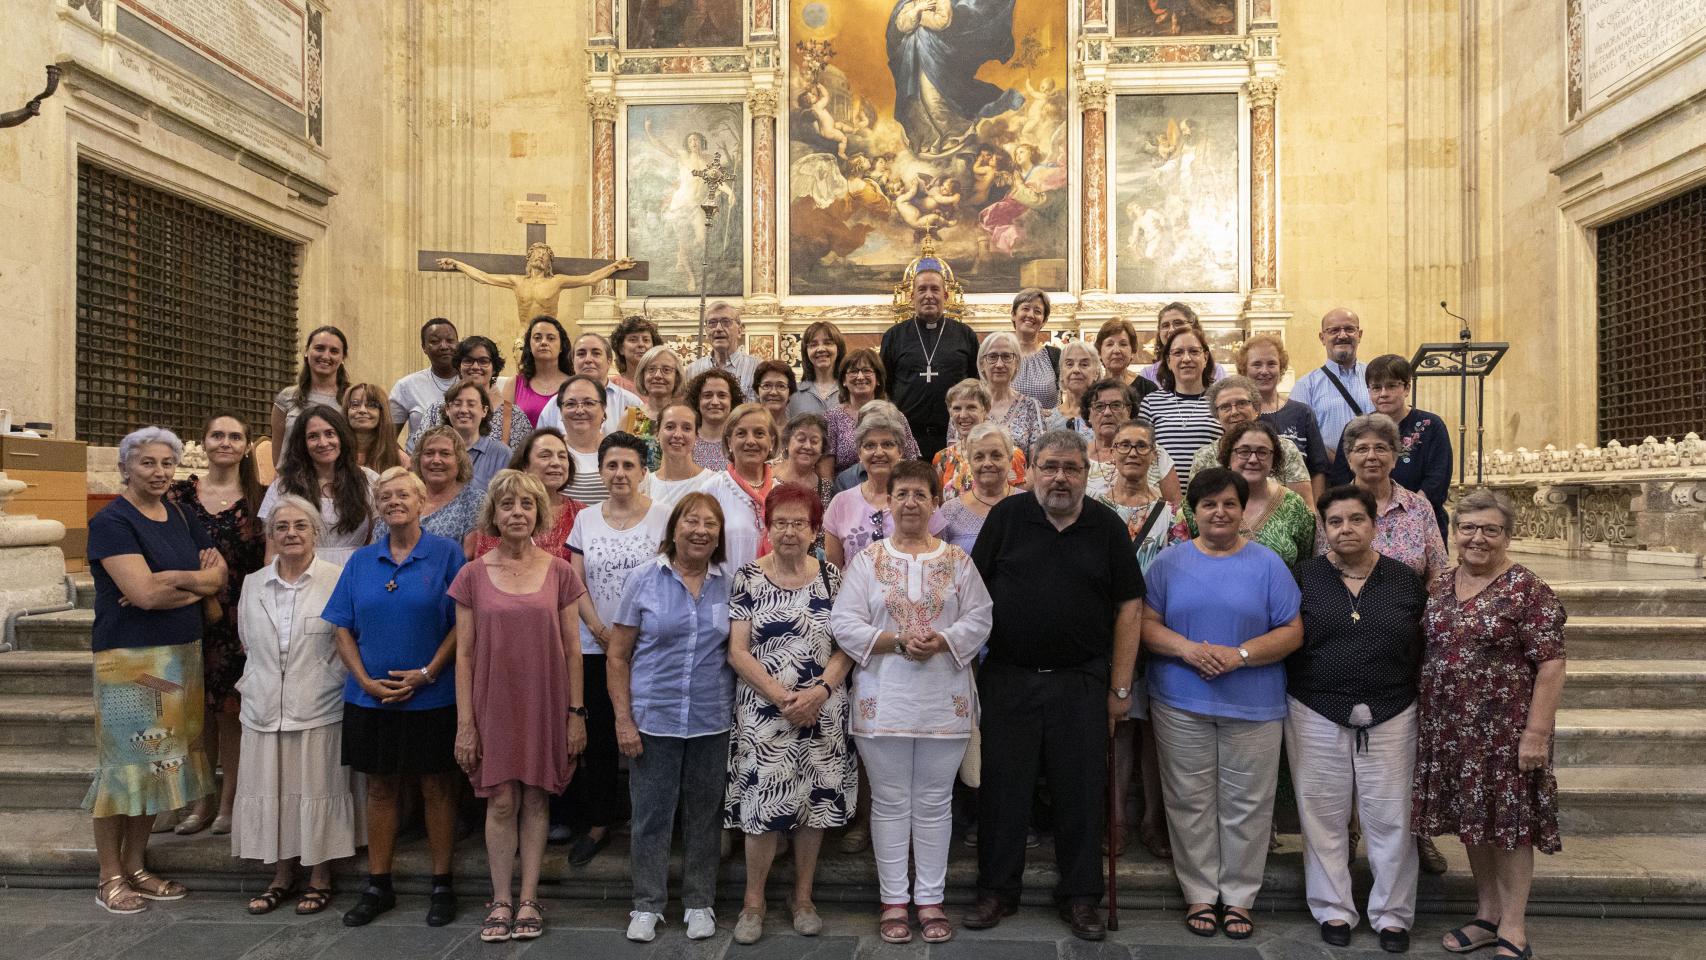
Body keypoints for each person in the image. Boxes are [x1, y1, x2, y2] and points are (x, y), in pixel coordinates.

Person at [965, 430, 1143, 942]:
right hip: (1009, 678)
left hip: (1081, 682)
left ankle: (1081, 897)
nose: (1060, 478)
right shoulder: (1006, 518)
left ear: (1086, 473)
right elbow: (972, 595)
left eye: (1071, 468)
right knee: (1003, 791)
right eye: (1050, 467)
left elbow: (1130, 606)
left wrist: (1121, 688)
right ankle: (997, 891)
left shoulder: (1106, 526)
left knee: (1081, 792)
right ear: (1032, 472)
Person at [832, 460, 993, 945]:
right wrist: (895, 640)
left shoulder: (958, 561)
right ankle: (893, 901)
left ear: (934, 503)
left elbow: (981, 617)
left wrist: (942, 640)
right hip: (884, 699)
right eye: (901, 494)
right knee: (889, 803)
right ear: (889, 502)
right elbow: (844, 622)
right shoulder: (867, 561)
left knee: (935, 803)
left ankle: (930, 899)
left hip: (944, 699)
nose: (909, 502)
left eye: (920, 494)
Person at [1141, 467, 1303, 942]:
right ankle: (1198, 892)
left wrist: (1241, 655)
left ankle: (1238, 897)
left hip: (1253, 703)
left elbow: (1292, 630)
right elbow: (1146, 624)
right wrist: (1188, 649)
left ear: (1242, 509)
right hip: (1180, 701)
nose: (1219, 512)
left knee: (1248, 803)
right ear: (1194, 511)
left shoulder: (1268, 564)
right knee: (1188, 799)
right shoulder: (1168, 563)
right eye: (1209, 504)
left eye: (1229, 503)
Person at [1414, 490, 1567, 960]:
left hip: (1505, 733)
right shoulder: (1441, 585)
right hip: (1449, 729)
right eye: (1468, 528)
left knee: (1511, 827)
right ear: (1454, 534)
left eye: (1490, 530)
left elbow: (1551, 664)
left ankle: (1513, 926)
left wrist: (1536, 733)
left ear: (1507, 536)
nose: (1477, 538)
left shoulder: (1528, 590)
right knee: (1473, 822)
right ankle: (1487, 914)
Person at [86, 427, 224, 914]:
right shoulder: (111, 521)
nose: (160, 472)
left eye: (167, 463)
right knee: (124, 769)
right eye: (148, 463)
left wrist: (176, 581)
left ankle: (137, 865)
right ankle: (110, 876)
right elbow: (142, 595)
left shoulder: (182, 515)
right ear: (125, 467)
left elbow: (219, 575)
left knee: (158, 764)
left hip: (179, 654)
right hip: (130, 662)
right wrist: (194, 588)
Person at [451, 470, 591, 943]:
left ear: (539, 513)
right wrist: (465, 724)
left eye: (526, 505)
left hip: (545, 700)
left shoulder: (560, 572)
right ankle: (500, 899)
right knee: (501, 800)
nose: (517, 513)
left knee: (535, 796)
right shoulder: (471, 575)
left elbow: (573, 650)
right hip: (492, 702)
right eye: (507, 505)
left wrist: (576, 715)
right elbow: (464, 655)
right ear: (494, 513)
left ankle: (529, 897)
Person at [325, 467, 465, 929]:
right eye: (385, 496)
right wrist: (364, 680)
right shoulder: (361, 561)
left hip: (433, 696)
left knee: (437, 788)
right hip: (371, 698)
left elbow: (463, 624)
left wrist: (428, 672)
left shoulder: (447, 554)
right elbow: (341, 627)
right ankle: (378, 885)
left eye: (404, 494)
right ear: (377, 506)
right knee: (381, 789)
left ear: (422, 501)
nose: (394, 502)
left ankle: (441, 883)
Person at [1290, 485, 1427, 952]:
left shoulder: (1403, 580)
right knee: (1322, 814)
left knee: (1391, 815)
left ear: (1373, 525)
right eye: (1335, 521)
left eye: (1356, 520)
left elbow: (1421, 643)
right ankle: (1333, 909)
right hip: (1315, 707)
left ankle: (1392, 915)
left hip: (1393, 709)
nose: (1345, 529)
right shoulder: (1304, 576)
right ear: (1324, 529)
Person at [724, 485, 858, 945]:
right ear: (767, 527)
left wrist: (819, 692)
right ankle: (753, 902)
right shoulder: (748, 577)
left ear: (815, 530)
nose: (789, 531)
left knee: (814, 806)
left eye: (799, 523)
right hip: (765, 712)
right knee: (763, 805)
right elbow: (737, 651)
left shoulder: (833, 578)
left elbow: (847, 647)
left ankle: (802, 898)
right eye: (780, 522)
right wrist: (784, 697)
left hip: (822, 710)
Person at [607, 493, 735, 943]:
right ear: (674, 528)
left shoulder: (730, 584)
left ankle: (700, 902)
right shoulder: (644, 578)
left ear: (719, 536)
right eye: (691, 521)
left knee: (704, 816)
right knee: (651, 816)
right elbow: (617, 656)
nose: (700, 530)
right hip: (653, 719)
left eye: (710, 524)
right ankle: (647, 905)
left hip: (711, 719)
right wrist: (623, 720)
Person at [231, 495, 364, 917]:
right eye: (282, 527)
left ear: (316, 533)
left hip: (319, 701)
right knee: (274, 792)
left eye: (300, 526)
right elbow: (247, 640)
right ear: (270, 535)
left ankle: (321, 877)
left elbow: (348, 639)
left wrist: (328, 676)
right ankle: (281, 876)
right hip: (264, 704)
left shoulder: (337, 579)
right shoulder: (253, 583)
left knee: (317, 789)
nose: (291, 533)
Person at [564, 433, 672, 865]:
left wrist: (631, 637)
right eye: (612, 465)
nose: (620, 473)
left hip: (648, 647)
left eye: (629, 465)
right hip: (595, 646)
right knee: (603, 737)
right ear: (601, 471)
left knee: (649, 735)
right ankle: (599, 821)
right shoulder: (585, 520)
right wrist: (597, 628)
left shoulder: (663, 517)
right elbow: (575, 582)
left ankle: (652, 822)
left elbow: (669, 578)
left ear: (644, 471)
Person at [164, 414, 269, 838]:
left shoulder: (260, 498)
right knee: (194, 715)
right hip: (185, 612)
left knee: (231, 714)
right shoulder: (179, 495)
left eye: (235, 436)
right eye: (217, 435)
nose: (225, 442)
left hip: (239, 619)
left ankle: (230, 801)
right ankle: (201, 800)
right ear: (204, 442)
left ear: (247, 446)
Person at [1092, 417, 1179, 861]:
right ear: (1111, 454)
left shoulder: (1172, 514)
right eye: (1123, 445)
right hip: (1105, 631)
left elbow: (1178, 573)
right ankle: (1118, 818)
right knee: (1120, 726)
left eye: (1140, 446)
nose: (1131, 453)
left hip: (1155, 630)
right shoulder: (1094, 508)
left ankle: (1153, 819)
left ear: (1153, 454)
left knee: (1154, 729)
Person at [1328, 354, 1453, 540]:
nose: (1383, 393)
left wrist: (1407, 514)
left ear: (1407, 387)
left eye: (1392, 386)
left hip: (1419, 523)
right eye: (1376, 388)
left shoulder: (1431, 425)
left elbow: (1437, 478)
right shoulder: (1356, 428)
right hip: (1364, 524)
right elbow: (1341, 478)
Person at [1323, 413, 1448, 582]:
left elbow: (1437, 573)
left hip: (1412, 599)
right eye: (1362, 449)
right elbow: (1323, 570)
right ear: (1349, 459)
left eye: (1380, 448)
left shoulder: (1420, 508)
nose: (1371, 456)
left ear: (1394, 458)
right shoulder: (1331, 510)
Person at [1182, 421, 1316, 568]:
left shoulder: (1293, 505)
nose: (1253, 460)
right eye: (1244, 452)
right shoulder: (1201, 501)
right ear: (1228, 456)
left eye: (1262, 452)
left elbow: (1305, 563)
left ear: (1274, 459)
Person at [880, 264, 980, 459]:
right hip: (907, 436)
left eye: (935, 289)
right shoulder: (894, 336)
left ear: (945, 295)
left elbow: (975, 383)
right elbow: (885, 385)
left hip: (954, 435)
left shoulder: (965, 334)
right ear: (912, 297)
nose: (928, 295)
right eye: (922, 289)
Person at [257, 406, 377, 566]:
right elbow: (272, 554)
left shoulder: (368, 480)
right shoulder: (284, 486)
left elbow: (380, 537)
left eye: (329, 434)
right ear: (302, 443)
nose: (323, 443)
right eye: (313, 436)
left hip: (355, 571)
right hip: (301, 573)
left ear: (342, 437)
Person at [467, 428, 586, 563]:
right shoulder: (502, 511)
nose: (556, 463)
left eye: (562, 456)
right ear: (524, 465)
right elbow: (486, 566)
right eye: (545, 455)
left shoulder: (582, 514)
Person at [1191, 376, 1315, 506]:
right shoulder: (1204, 456)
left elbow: (1304, 507)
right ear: (1217, 415)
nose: (1234, 412)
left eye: (1242, 403)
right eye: (1225, 407)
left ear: (1256, 409)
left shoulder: (1285, 449)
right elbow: (1193, 509)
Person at [408, 336, 534, 455]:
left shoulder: (514, 416)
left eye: (483, 361)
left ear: (494, 368)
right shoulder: (436, 411)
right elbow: (419, 454)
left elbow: (524, 463)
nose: (475, 367)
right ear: (459, 366)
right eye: (468, 361)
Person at [1238, 333, 1328, 491]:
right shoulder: (1238, 415)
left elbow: (1318, 469)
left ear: (1281, 368)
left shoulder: (1302, 413)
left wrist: (1315, 505)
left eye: (1271, 364)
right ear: (1244, 370)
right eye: (1257, 365)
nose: (1264, 371)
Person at [1139, 327, 1222, 487]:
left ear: (1205, 357)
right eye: (1178, 353)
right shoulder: (1151, 402)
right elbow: (1142, 451)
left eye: (1194, 351)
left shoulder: (1221, 401)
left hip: (1210, 494)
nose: (1186, 359)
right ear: (1168, 361)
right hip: (1163, 495)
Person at [824, 412, 904, 568]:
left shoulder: (920, 498)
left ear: (900, 451)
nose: (879, 452)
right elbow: (834, 572)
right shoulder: (840, 503)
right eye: (869, 446)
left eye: (887, 444)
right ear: (859, 454)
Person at [706, 403, 780, 571]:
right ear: (729, 442)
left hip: (774, 586)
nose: (751, 441)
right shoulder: (712, 490)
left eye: (759, 433)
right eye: (741, 433)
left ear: (772, 441)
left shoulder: (781, 493)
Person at [1290, 308, 1371, 460]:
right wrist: (1339, 463)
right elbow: (1298, 437)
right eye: (1334, 330)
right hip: (1329, 471)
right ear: (1322, 338)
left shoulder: (1375, 377)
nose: (1342, 335)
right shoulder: (1306, 386)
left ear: (1359, 335)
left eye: (1349, 329)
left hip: (1375, 467)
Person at [1083, 377, 1180, 503]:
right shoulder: (1079, 456)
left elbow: (1176, 507)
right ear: (1089, 414)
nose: (1107, 412)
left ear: (1129, 411)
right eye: (1099, 406)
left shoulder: (1154, 452)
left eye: (1116, 405)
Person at [825, 348, 921, 473]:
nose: (860, 377)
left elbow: (910, 462)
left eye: (867, 371)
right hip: (845, 484)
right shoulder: (832, 417)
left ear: (878, 379)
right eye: (853, 371)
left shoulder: (896, 416)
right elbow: (825, 469)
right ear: (843, 380)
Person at [930, 422, 1019, 553]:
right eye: (979, 457)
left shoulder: (1029, 504)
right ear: (970, 463)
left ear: (1010, 460)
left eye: (996, 456)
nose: (987, 463)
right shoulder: (950, 511)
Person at [535, 332, 645, 434]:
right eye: (581, 354)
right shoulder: (554, 405)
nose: (588, 359)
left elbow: (644, 445)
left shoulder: (632, 403)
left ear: (609, 361)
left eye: (596, 353)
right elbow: (541, 445)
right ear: (572, 362)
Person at [932, 379, 1026, 498]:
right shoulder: (942, 459)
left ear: (986, 409)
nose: (963, 415)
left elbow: (1019, 502)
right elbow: (939, 505)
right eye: (957, 408)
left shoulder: (1010, 454)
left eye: (971, 407)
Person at [271, 326, 350, 466]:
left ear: (342, 357)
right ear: (306, 351)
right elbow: (278, 454)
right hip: (292, 477)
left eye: (334, 351)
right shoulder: (286, 397)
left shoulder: (350, 400)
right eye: (319, 348)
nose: (325, 356)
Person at [961, 330, 1045, 458]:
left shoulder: (1031, 406)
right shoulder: (963, 406)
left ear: (1016, 363)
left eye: (1006, 357)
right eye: (992, 357)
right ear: (982, 363)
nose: (999, 364)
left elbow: (1038, 461)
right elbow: (953, 457)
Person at [438, 378, 517, 492]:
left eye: (471, 404)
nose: (464, 410)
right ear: (447, 409)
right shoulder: (435, 451)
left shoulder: (501, 454)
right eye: (457, 404)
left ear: (484, 410)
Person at [388, 318, 461, 436]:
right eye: (435, 341)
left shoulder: (472, 382)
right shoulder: (406, 386)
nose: (444, 346)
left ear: (458, 344)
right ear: (424, 347)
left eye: (450, 340)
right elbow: (387, 438)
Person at [412, 426, 483, 542]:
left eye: (445, 454)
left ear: (459, 460)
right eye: (429, 453)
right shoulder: (406, 498)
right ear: (419, 459)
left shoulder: (475, 500)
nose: (436, 460)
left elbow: (477, 550)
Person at [554, 374, 615, 506]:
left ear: (603, 408)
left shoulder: (619, 451)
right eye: (570, 404)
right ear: (560, 410)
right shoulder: (549, 452)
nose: (580, 410)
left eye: (588, 403)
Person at [621, 344, 684, 468]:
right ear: (642, 375)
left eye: (666, 370)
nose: (658, 375)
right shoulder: (630, 416)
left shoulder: (685, 417)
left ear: (677, 378)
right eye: (651, 369)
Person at [507, 316, 575, 427]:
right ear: (529, 345)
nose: (543, 342)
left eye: (551, 338)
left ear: (561, 347)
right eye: (537, 338)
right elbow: (504, 430)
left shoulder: (573, 385)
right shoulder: (514, 384)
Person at [649, 401, 718, 507]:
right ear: (657, 433)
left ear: (696, 436)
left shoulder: (713, 482)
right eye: (670, 427)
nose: (678, 434)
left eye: (687, 428)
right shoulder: (645, 484)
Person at [1136, 302, 1226, 384]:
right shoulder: (1147, 374)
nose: (1171, 330)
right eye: (1165, 325)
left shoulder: (1216, 371)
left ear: (1194, 327)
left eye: (1178, 323)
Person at [685, 301, 761, 393]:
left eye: (726, 322)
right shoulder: (693, 371)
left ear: (739, 331)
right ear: (706, 331)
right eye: (712, 323)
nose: (718, 328)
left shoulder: (756, 368)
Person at [1009, 288, 1059, 412]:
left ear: (1044, 321)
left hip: (1049, 424)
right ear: (1014, 314)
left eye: (1037, 311)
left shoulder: (1055, 357)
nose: (1030, 315)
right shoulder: (999, 356)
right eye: (1025, 308)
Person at [1043, 339, 1103, 440]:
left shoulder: (1104, 416)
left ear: (1096, 373)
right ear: (1062, 372)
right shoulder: (1048, 419)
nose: (1076, 370)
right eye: (1069, 364)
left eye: (1084, 364)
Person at [343, 383, 409, 474]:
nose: (362, 410)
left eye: (371, 405)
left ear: (382, 413)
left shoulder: (398, 458)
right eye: (355, 404)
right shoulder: (334, 451)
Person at [685, 367, 741, 472]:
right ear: (697, 402)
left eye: (722, 396)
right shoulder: (685, 440)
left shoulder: (740, 442)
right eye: (707, 395)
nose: (715, 402)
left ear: (732, 402)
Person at [787, 320, 846, 418]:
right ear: (806, 352)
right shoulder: (793, 393)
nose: (821, 349)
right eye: (813, 345)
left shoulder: (849, 389)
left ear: (839, 349)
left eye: (828, 343)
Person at [610, 314, 661, 393]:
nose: (641, 344)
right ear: (621, 349)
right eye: (633, 340)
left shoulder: (663, 384)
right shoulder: (611, 386)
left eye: (646, 340)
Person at [752, 359, 797, 435]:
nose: (773, 392)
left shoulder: (797, 432)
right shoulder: (748, 429)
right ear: (757, 392)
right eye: (767, 385)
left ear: (790, 393)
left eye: (781, 386)